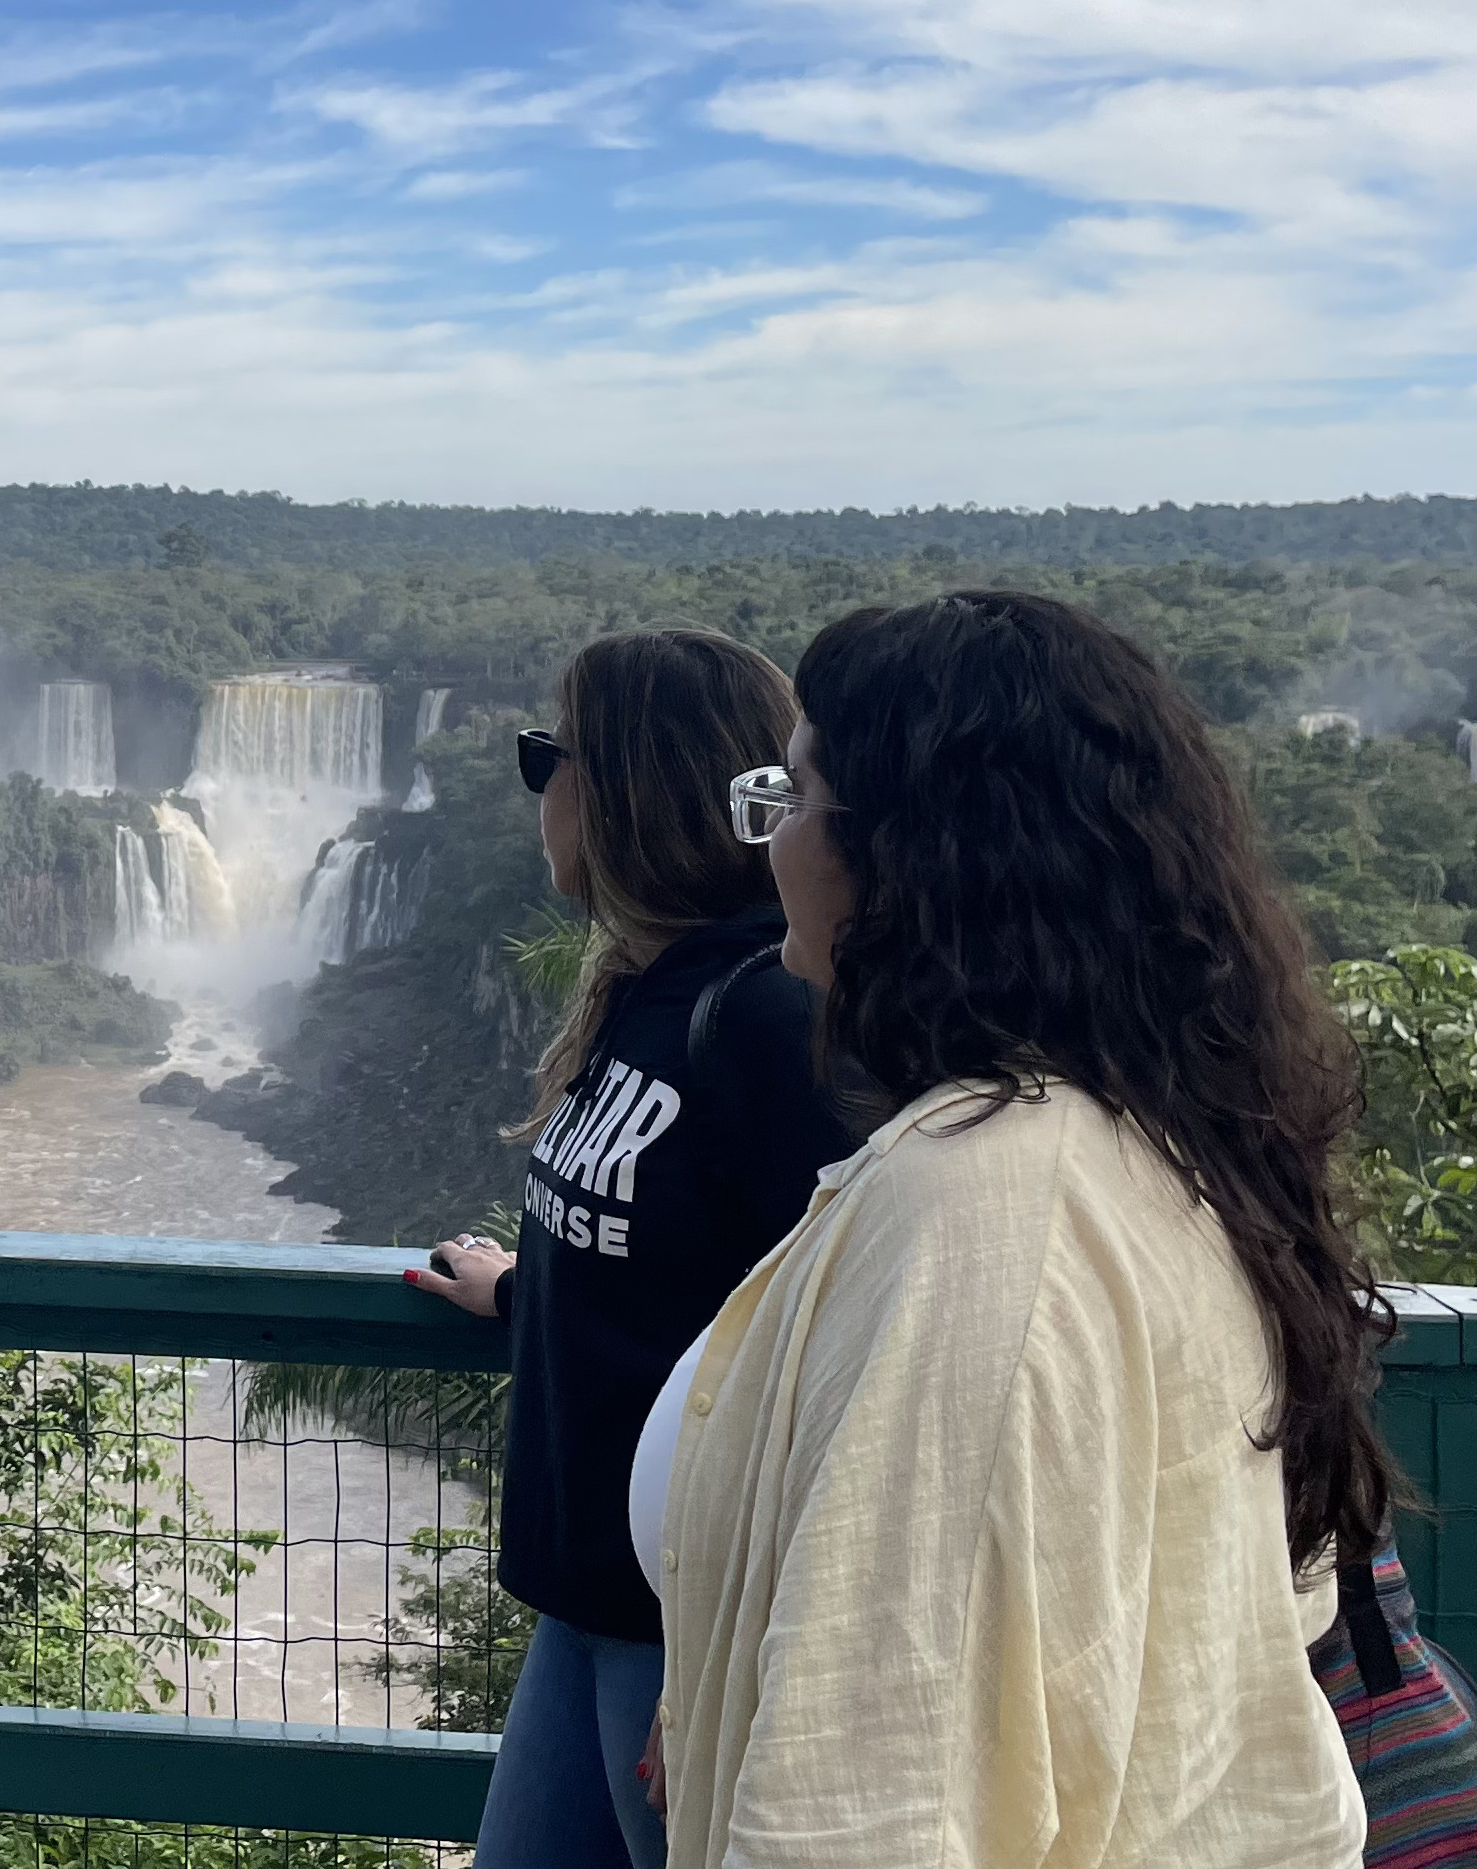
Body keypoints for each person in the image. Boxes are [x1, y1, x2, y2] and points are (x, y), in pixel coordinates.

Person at [646, 590, 1379, 1867]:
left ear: (911, 861)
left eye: (797, 800)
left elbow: (875, 1807)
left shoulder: (985, 1219)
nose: (774, 849)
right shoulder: (1155, 1134)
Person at [406, 629, 860, 1869]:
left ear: (629, 791)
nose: (538, 788)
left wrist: (730, 1654)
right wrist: (523, 1293)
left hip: (689, 1636)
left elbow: (836, 1350)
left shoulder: (765, 1017)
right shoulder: (648, 992)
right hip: (587, 1607)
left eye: (549, 757)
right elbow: (678, 1268)